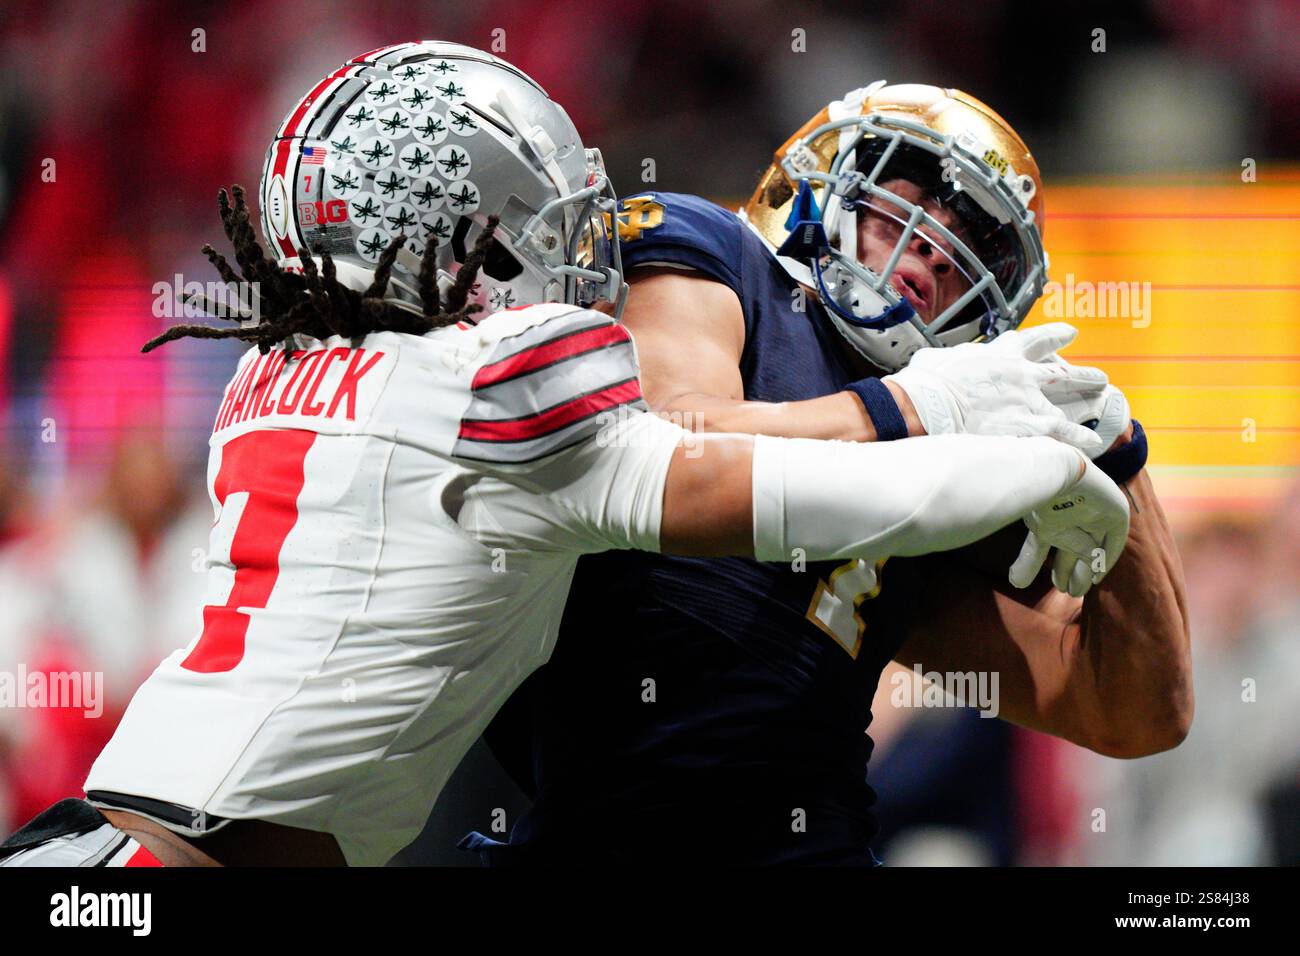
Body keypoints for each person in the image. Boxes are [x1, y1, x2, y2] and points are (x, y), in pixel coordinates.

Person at [0, 52, 1126, 868]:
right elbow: (792, 495)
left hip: (109, 844)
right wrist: (1007, 443)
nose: (585, 240)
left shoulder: (269, 376)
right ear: (466, 231)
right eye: (542, 209)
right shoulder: (502, 383)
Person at [471, 82, 1190, 866]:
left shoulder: (946, 447)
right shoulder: (722, 256)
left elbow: (1136, 714)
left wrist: (1120, 457)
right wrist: (902, 408)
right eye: (911, 198)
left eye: (976, 240)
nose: (936, 244)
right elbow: (665, 446)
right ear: (823, 183)